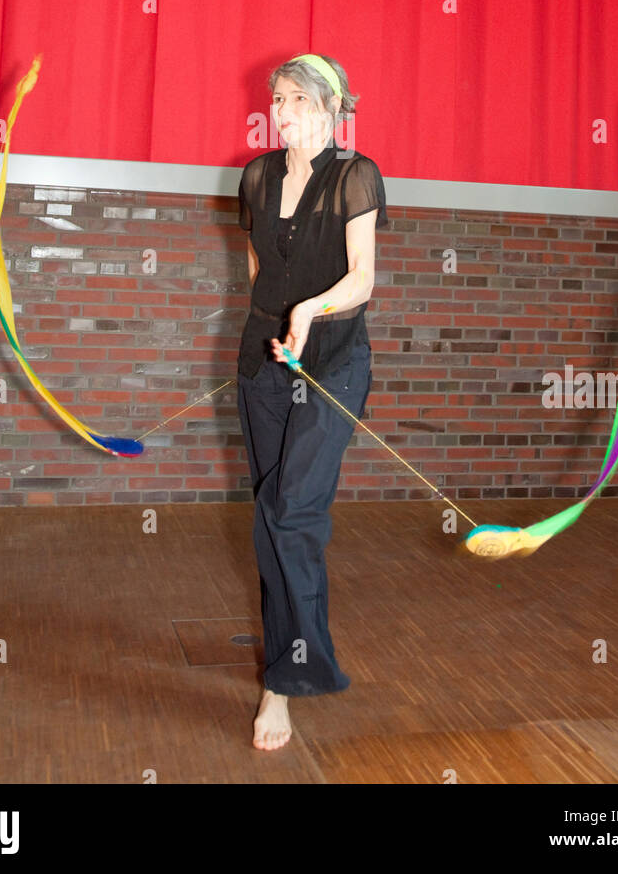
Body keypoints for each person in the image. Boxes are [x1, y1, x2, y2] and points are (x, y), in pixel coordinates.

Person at [236, 52, 388, 751]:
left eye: (298, 99)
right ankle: (285, 665)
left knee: (291, 510)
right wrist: (277, 319)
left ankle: (284, 681)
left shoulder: (356, 176)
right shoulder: (257, 176)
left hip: (334, 359)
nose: (284, 111)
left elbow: (360, 281)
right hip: (266, 362)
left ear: (332, 109)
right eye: (278, 98)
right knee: (270, 511)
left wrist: (309, 311)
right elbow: (260, 269)